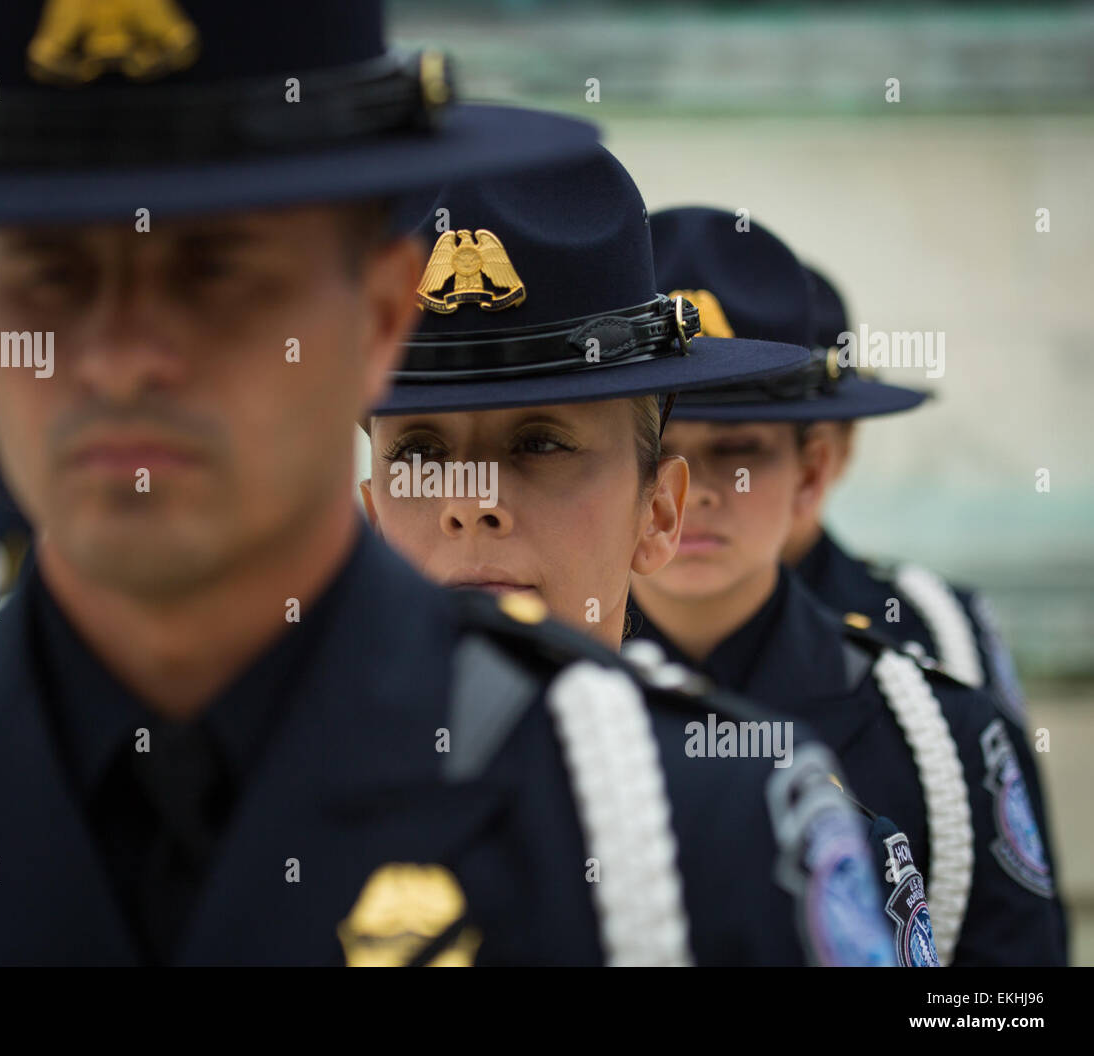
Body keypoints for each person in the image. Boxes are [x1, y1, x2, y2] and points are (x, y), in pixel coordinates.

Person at [0, 1, 890, 967]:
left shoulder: (686, 835)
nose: (121, 357)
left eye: (213, 271)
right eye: (54, 277)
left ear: (377, 317)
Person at [362, 145, 899, 965]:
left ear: (659, 511)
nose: (472, 500)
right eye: (420, 453)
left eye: (540, 443)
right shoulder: (236, 809)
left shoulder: (764, 839)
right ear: (369, 514)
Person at [629, 205, 1065, 965]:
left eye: (738, 452)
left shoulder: (941, 734)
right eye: (662, 454)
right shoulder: (533, 705)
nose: (692, 491)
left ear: (815, 470)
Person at [784, 261, 1068, 960]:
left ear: (830, 453)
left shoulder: (939, 631)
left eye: (740, 447)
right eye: (671, 442)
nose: (701, 490)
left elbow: (1015, 983)